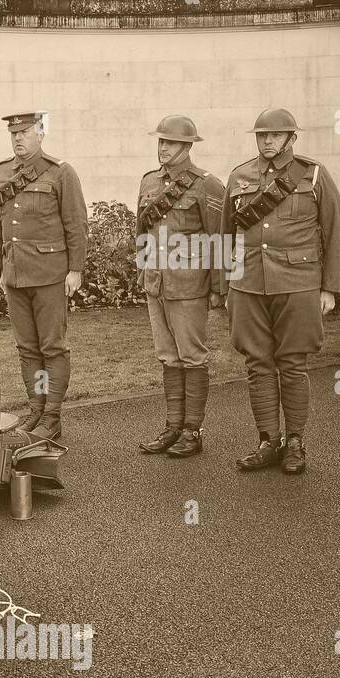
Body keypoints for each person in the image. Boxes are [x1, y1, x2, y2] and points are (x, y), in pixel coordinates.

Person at [218, 109, 340, 475]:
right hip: (247, 284)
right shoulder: (239, 176)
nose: (268, 141)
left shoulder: (314, 174)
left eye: (276, 135)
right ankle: (266, 442)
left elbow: (335, 230)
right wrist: (225, 284)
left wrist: (329, 287)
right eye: (262, 135)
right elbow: (225, 233)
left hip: (298, 283)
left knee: (292, 364)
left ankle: (295, 443)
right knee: (257, 364)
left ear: (292, 138)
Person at [0, 111, 87, 441]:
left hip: (49, 275)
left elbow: (75, 224)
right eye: (13, 133)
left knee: (52, 348)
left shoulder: (61, 172)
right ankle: (37, 408)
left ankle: (52, 416)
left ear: (40, 134)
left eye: (25, 132)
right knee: (28, 349)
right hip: (16, 275)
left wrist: (75, 269)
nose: (18, 138)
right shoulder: (2, 171)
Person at [135, 115, 226, 458]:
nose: (162, 148)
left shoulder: (206, 185)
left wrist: (219, 288)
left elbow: (220, 238)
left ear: (187, 146)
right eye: (160, 142)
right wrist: (143, 271)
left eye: (169, 143)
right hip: (156, 283)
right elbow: (141, 232)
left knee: (192, 357)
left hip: (189, 285)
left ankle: (193, 430)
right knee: (168, 356)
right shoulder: (148, 182)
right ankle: (173, 426)